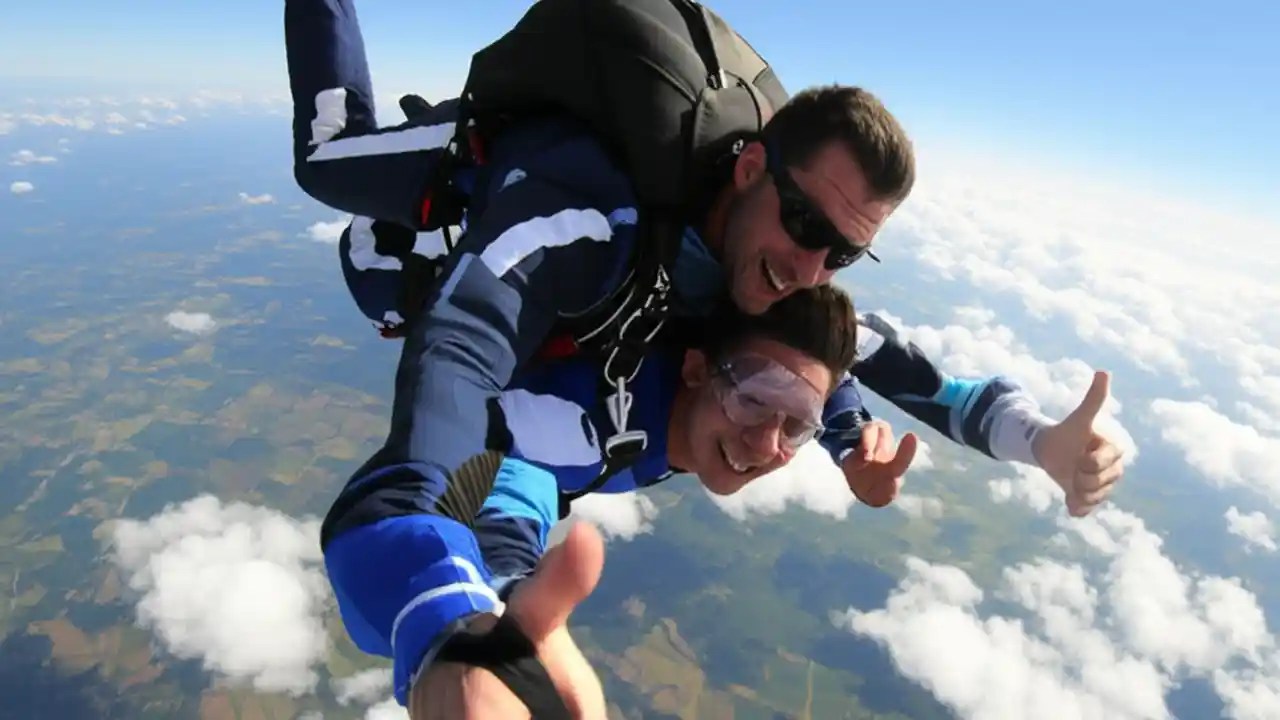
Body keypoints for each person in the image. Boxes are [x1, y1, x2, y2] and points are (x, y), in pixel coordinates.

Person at [285, 0, 1126, 714]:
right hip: (416, 245)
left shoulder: (779, 286)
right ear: (751, 167)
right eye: (804, 226)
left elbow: (885, 369)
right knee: (326, 162)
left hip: (571, 336)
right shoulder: (581, 213)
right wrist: (449, 620)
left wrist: (1033, 438)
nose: (809, 269)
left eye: (841, 255)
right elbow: (465, 351)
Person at [324, 283, 862, 717]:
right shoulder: (579, 420)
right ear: (696, 369)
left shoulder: (684, 413)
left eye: (796, 428)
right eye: (755, 402)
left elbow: (847, 364)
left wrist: (850, 435)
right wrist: (470, 616)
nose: (767, 443)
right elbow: (413, 501)